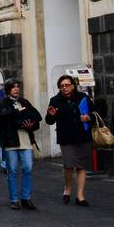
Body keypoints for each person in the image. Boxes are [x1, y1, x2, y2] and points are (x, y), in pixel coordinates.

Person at [46, 74, 95, 207]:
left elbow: (96, 113)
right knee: (68, 165)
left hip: (82, 136)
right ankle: (67, 189)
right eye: (62, 86)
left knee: (81, 166)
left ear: (73, 86)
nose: (64, 88)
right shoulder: (55, 100)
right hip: (66, 137)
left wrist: (89, 118)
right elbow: (49, 121)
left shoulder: (83, 98)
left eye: (67, 85)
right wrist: (51, 115)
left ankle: (80, 196)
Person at [0, 79, 41, 210]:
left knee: (28, 168)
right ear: (7, 89)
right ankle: (14, 199)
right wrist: (17, 112)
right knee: (12, 171)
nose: (16, 89)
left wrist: (32, 125)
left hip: (25, 140)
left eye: (17, 87)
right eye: (13, 87)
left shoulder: (24, 102)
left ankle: (26, 197)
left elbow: (35, 119)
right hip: (10, 141)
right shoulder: (1, 102)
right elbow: (0, 117)